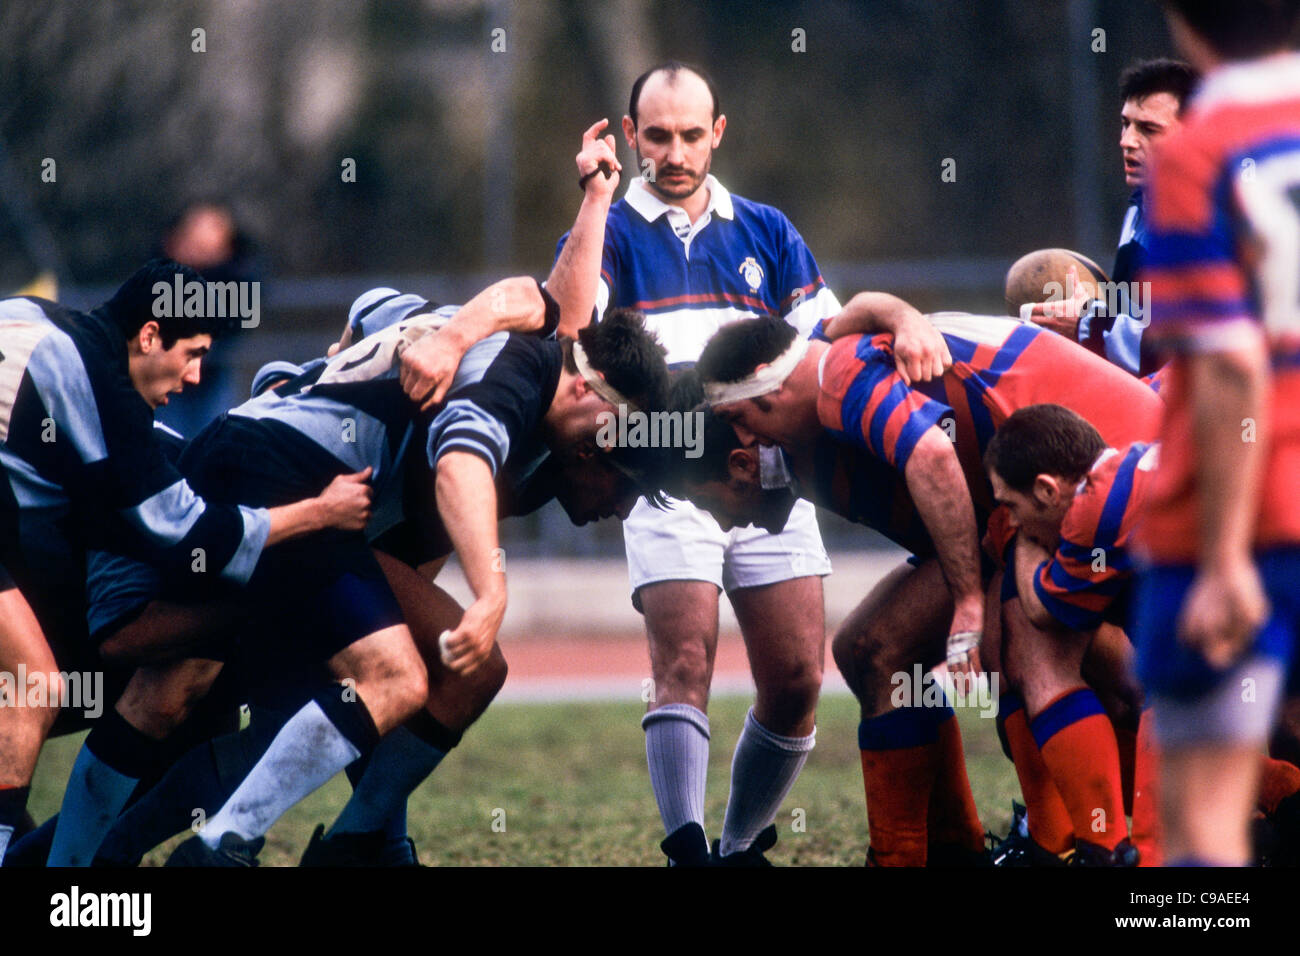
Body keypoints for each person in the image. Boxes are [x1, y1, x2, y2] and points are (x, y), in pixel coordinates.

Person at [163, 286, 669, 865]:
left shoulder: (535, 394)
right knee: (373, 680)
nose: (622, 504)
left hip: (305, 494)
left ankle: (350, 844)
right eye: (622, 474)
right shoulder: (521, 368)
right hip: (289, 486)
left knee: (256, 705)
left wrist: (326, 365)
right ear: (589, 393)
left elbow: (380, 304)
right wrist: (490, 590)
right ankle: (242, 846)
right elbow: (461, 461)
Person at [695, 295, 1165, 864]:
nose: (747, 443)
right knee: (909, 648)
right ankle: (1015, 846)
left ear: (766, 391)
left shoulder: (840, 380)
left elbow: (931, 455)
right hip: (1070, 484)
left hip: (1103, 475)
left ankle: (1096, 845)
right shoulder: (827, 354)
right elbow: (862, 310)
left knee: (1048, 660)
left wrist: (968, 599)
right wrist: (901, 315)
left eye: (739, 421)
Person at [544, 61, 841, 866]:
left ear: (717, 134)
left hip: (769, 480)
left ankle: (739, 846)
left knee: (798, 681)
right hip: (663, 480)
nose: (674, 153)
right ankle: (686, 851)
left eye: (689, 135)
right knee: (682, 664)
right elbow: (566, 329)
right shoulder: (607, 227)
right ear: (632, 135)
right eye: (657, 136)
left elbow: (829, 344)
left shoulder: (769, 231)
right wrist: (593, 203)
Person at [0, 259, 371, 865]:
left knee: (72, 686)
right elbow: (182, 529)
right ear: (149, 335)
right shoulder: (92, 379)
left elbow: (144, 458)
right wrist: (318, 512)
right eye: (193, 352)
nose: (197, 375)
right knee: (34, 685)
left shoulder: (54, 327)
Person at [1133, 0, 1300, 867]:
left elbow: (1233, 366)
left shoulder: (1199, 151)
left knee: (1202, 822)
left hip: (1250, 519)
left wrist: (1224, 555)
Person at [1023, 58, 1198, 377]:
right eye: (1125, 123)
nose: (1127, 141)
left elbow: (1184, 350)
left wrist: (1088, 322)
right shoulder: (1142, 204)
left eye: (1148, 129)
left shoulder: (1207, 220)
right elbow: (1136, 311)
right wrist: (1093, 306)